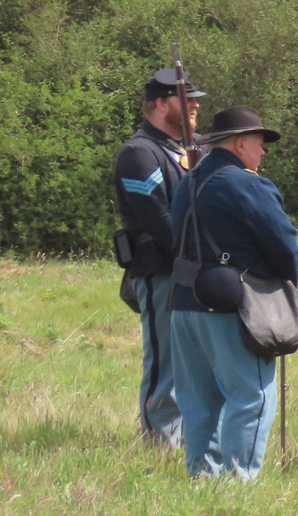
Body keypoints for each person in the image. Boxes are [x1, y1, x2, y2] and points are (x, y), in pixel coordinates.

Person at [167, 105, 298, 480]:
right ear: (240, 144)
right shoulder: (247, 185)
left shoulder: (187, 183)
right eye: (259, 143)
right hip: (231, 308)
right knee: (252, 398)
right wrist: (285, 289)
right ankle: (238, 487)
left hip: (183, 304)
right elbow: (284, 245)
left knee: (199, 403)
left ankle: (203, 482)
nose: (264, 151)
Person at [112, 68, 206, 448]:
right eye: (186, 99)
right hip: (163, 270)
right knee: (166, 362)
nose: (195, 106)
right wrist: (197, 262)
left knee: (198, 362)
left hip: (201, 270)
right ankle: (159, 442)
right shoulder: (139, 154)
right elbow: (160, 220)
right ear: (161, 104)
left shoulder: (197, 149)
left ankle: (189, 438)